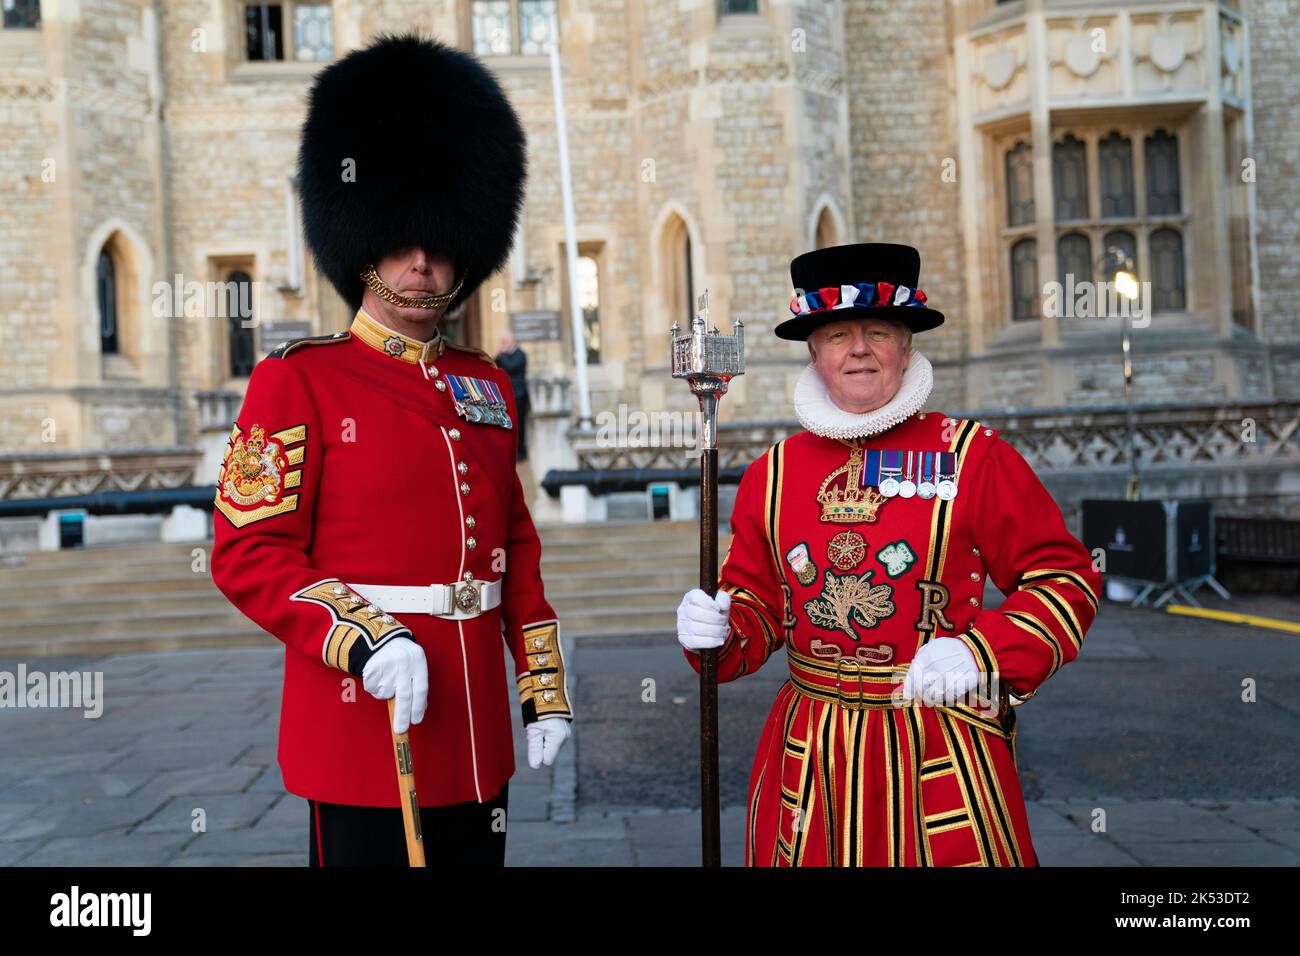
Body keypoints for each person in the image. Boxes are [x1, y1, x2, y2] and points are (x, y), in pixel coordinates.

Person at [211, 34, 572, 867]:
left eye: (440, 244)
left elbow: (513, 545)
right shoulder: (297, 382)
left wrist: (542, 686)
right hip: (364, 721)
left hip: (476, 727)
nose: (420, 262)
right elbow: (249, 553)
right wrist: (365, 638)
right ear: (363, 244)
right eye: (403, 241)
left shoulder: (484, 388)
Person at [676, 242, 1101, 867]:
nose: (858, 349)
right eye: (837, 334)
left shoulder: (973, 455)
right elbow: (758, 611)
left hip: (941, 743)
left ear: (906, 346)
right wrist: (716, 630)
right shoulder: (772, 474)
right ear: (815, 352)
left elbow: (1065, 578)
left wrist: (981, 651)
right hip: (810, 757)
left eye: (878, 331)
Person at [494, 332, 530, 461]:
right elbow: (494, 366)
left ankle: (520, 451)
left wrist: (501, 354)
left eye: (505, 342)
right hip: (505, 394)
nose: (503, 345)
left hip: (519, 395)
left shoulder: (520, 354)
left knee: (519, 424)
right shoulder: (503, 356)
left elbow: (511, 367)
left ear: (512, 341)